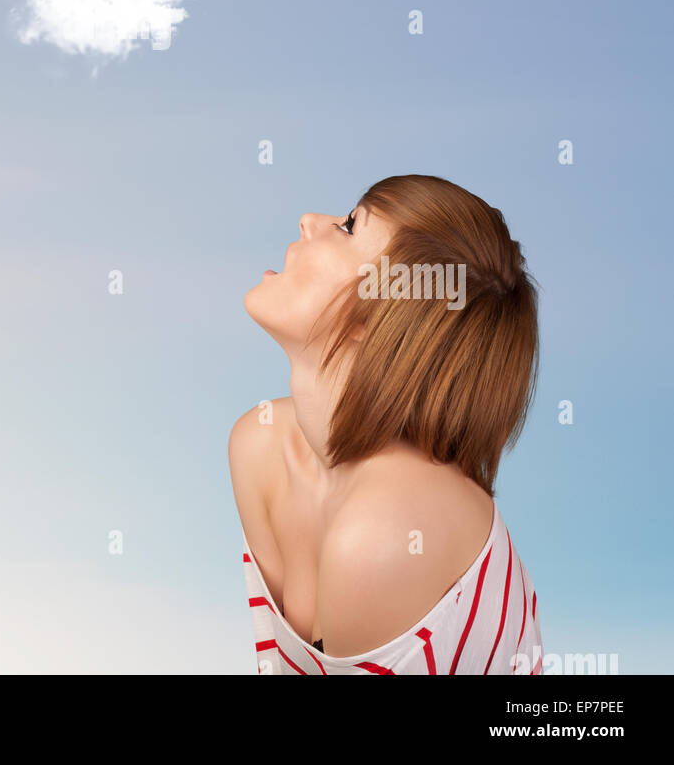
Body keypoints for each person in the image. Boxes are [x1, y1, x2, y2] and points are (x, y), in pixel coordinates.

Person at [229, 174, 542, 675]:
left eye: (349, 226)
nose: (309, 221)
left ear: (373, 321)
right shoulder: (261, 445)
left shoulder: (387, 528)